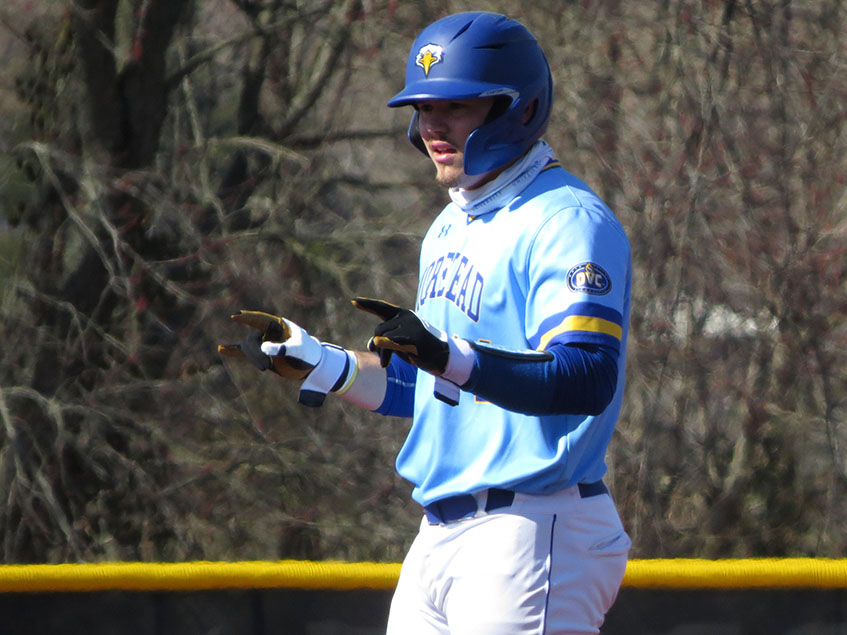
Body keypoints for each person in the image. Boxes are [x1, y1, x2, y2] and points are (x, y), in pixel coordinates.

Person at [219, 10, 633, 635]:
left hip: (532, 524)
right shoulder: (448, 226)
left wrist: (447, 356)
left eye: (456, 107)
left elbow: (586, 378)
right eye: (423, 107)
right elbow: (436, 390)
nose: (431, 125)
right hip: (440, 534)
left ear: (517, 109)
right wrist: (322, 363)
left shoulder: (566, 219)